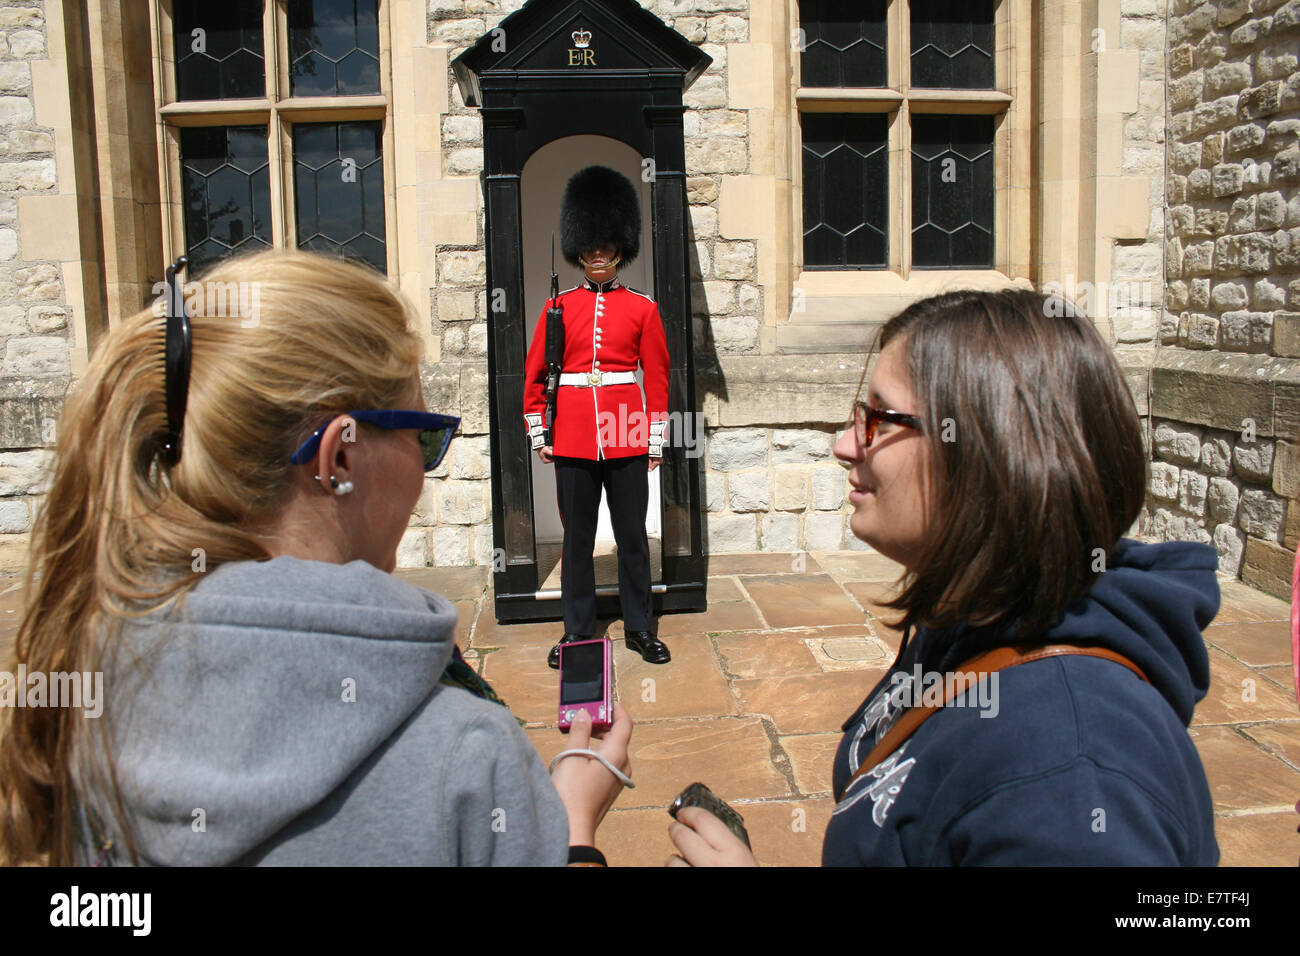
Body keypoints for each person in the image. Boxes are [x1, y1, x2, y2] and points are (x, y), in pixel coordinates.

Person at [0, 249, 631, 866]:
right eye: (422, 435)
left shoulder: (80, 701)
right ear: (341, 459)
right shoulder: (467, 758)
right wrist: (572, 833)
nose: (424, 466)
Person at [668, 288, 1220, 866]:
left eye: (879, 418)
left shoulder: (1070, 771)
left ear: (990, 448)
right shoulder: (979, 615)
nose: (844, 445)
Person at [523, 165, 671, 669]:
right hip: (572, 434)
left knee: (632, 536)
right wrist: (541, 430)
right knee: (577, 541)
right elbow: (536, 375)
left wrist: (653, 437)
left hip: (626, 430)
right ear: (579, 251)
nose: (597, 255)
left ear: (619, 248)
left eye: (605, 246)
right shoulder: (557, 308)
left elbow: (657, 378)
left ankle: (639, 627)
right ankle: (578, 632)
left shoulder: (643, 309)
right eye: (589, 247)